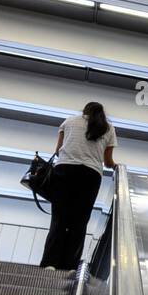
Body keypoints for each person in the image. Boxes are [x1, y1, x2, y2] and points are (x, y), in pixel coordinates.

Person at [40, 101, 116, 270]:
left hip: (65, 171)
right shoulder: (108, 128)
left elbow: (59, 149)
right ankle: (70, 266)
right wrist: (116, 166)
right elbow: (108, 161)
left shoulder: (69, 121)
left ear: (84, 111)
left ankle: (50, 263)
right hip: (90, 176)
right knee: (79, 222)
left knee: (59, 219)